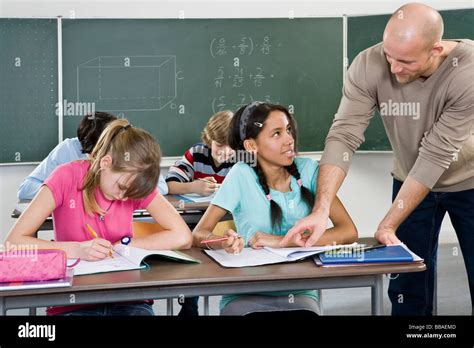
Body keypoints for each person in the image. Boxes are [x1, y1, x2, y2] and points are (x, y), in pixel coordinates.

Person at [282, 3, 474, 315]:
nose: (394, 69)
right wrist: (321, 210)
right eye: (389, 56)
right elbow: (344, 135)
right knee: (407, 289)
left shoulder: (467, 69)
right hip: (408, 178)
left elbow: (436, 154)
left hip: (469, 182)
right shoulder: (368, 64)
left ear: (436, 50)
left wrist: (387, 223)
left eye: (406, 61)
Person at [6, 119, 192, 316]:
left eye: (132, 194)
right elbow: (14, 243)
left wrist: (128, 246)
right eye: (121, 188)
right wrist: (77, 249)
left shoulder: (133, 183)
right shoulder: (65, 177)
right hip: (73, 300)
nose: (124, 197)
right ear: (105, 163)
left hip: (127, 299)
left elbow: (183, 236)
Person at [193, 102, 358, 316]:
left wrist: (282, 242)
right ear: (251, 146)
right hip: (245, 293)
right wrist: (222, 242)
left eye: (289, 130)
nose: (289, 140)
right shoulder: (241, 174)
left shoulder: (309, 171)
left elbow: (348, 230)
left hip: (300, 293)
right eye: (277, 134)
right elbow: (199, 234)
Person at [17, 112, 169, 199]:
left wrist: (122, 188)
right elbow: (25, 189)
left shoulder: (130, 149)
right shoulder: (68, 149)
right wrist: (73, 193)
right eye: (95, 155)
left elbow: (161, 187)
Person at [166, 110, 234, 196]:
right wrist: (193, 187)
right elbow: (169, 185)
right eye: (219, 145)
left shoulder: (241, 159)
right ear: (209, 139)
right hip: (199, 208)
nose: (225, 151)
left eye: (232, 145)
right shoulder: (196, 153)